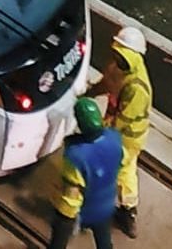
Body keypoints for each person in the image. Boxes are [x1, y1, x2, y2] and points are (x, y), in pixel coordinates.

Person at [98, 25, 151, 238]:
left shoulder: (138, 87)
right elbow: (107, 83)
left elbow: (123, 119)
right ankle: (128, 210)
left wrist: (105, 132)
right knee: (125, 171)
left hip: (128, 138)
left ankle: (124, 211)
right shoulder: (123, 69)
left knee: (118, 170)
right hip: (122, 132)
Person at [48, 96, 122, 249]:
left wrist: (66, 215)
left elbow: (71, 194)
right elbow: (122, 164)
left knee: (59, 240)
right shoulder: (114, 138)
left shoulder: (76, 156)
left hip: (85, 208)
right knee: (104, 240)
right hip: (106, 203)